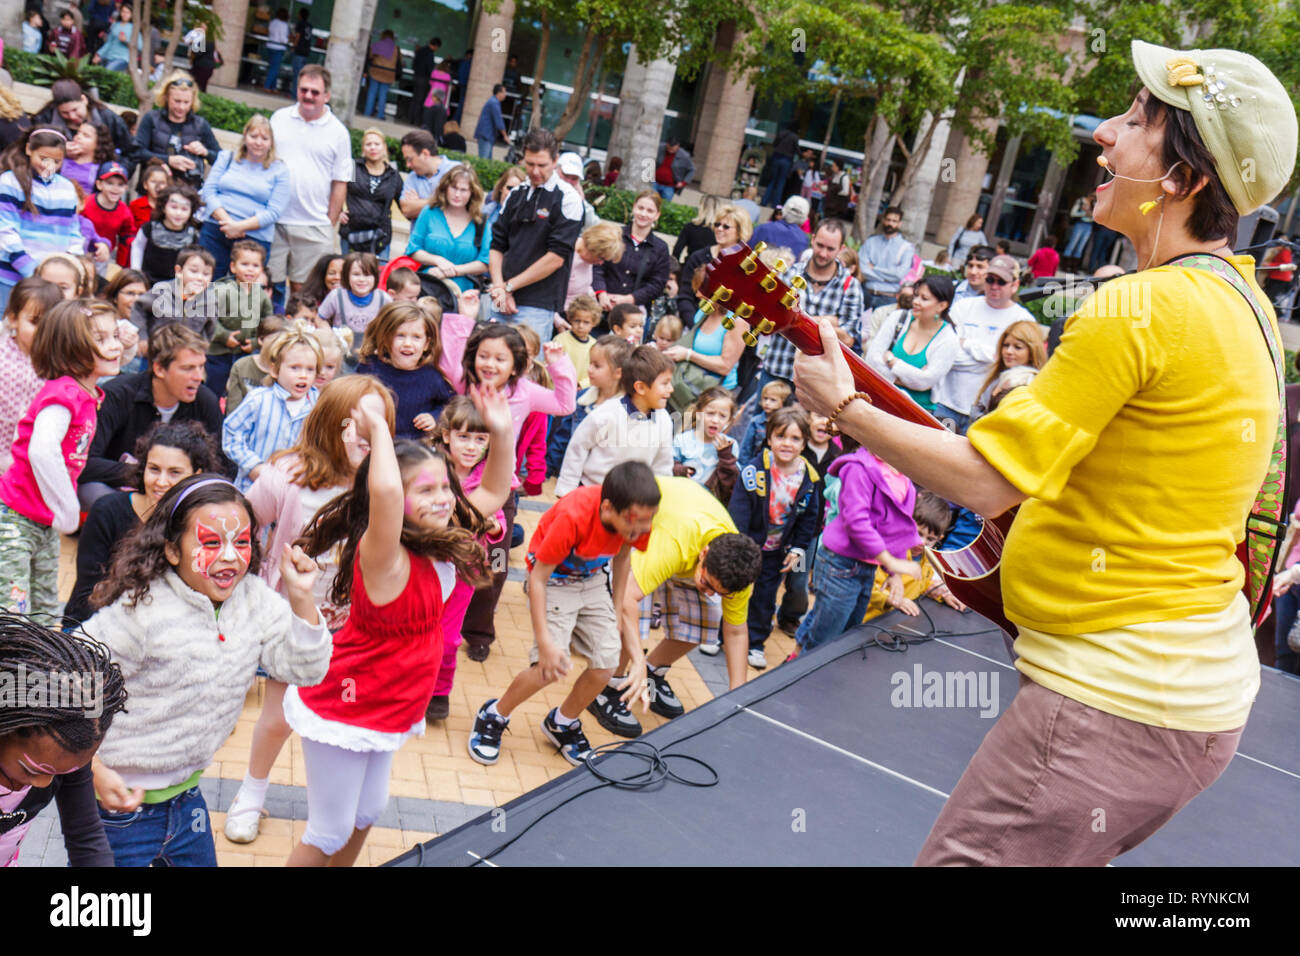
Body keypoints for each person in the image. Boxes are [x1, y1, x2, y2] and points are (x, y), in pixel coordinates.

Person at [789, 39, 1295, 867]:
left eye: (1135, 121)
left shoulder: (1135, 308)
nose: (1104, 131)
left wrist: (843, 405)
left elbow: (985, 482)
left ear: (1182, 179)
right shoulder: (1242, 300)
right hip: (1195, 701)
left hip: (1113, 704)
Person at [284, 384, 511, 867]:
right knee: (328, 830)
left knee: (368, 811)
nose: (442, 499)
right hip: (346, 703)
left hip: (392, 702)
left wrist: (503, 429)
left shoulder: (440, 542)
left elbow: (492, 490)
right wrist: (376, 428)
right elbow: (385, 489)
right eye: (424, 490)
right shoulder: (382, 553)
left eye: (445, 488)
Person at [86, 475, 331, 866]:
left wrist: (301, 598)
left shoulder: (254, 601)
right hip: (118, 813)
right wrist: (92, 769)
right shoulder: (140, 613)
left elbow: (304, 669)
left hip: (189, 805)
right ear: (171, 550)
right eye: (211, 542)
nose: (231, 557)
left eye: (243, 542)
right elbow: (63, 689)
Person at [221, 377, 397, 844]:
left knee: (342, 722)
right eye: (354, 420)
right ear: (328, 423)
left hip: (359, 627)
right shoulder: (287, 477)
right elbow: (244, 525)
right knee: (278, 716)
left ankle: (334, 813)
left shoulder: (389, 485)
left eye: (376, 421)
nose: (363, 432)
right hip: (295, 617)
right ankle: (251, 794)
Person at [469, 462, 660, 765]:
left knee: (607, 663)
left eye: (647, 523)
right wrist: (545, 643)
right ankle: (494, 714)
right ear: (608, 507)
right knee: (549, 667)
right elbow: (538, 579)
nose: (641, 531)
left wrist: (616, 614)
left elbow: (623, 559)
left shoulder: (639, 518)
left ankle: (562, 722)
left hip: (594, 579)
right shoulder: (574, 516)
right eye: (634, 524)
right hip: (554, 579)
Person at [458, 324, 576, 659]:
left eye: (500, 358)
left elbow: (565, 405)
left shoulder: (525, 390)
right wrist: (464, 318)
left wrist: (559, 364)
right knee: (450, 555)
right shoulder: (462, 382)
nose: (490, 364)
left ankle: (479, 631)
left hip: (501, 492)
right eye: (484, 356)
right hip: (456, 486)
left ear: (516, 365)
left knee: (495, 563)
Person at [0, 299, 121, 620]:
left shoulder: (84, 391)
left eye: (114, 336)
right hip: (15, 519)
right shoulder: (64, 394)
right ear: (72, 347)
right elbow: (42, 451)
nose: (114, 346)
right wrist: (67, 509)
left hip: (42, 521)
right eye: (101, 338)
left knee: (43, 610)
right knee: (13, 612)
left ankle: (33, 667)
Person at [610, 477, 762, 732]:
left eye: (719, 592)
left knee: (705, 619)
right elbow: (626, 601)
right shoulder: (675, 541)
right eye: (707, 582)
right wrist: (635, 659)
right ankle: (610, 685)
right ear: (704, 554)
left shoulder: (739, 573)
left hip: (686, 539)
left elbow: (735, 631)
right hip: (644, 528)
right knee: (635, 618)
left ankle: (652, 671)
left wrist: (737, 698)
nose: (710, 592)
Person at [0, 615, 128, 867]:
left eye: (64, 771)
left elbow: (86, 836)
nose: (45, 782)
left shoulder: (59, 754)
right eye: (30, 770)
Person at [64, 422, 221, 626]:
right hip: (95, 627)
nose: (162, 481)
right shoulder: (107, 511)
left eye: (175, 472)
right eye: (154, 469)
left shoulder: (200, 525)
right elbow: (87, 594)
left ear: (196, 475)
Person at [80, 323, 225, 511]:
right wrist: (144, 475)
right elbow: (85, 462)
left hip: (178, 494)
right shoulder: (117, 395)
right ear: (159, 369)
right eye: (188, 368)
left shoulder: (205, 401)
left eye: (201, 367)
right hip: (120, 489)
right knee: (91, 492)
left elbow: (222, 465)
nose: (199, 377)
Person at [729, 406, 823, 670]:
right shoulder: (754, 470)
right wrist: (739, 544)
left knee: (765, 597)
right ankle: (722, 634)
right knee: (734, 589)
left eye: (795, 439)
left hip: (776, 551)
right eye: (781, 437)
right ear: (769, 438)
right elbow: (739, 508)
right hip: (747, 545)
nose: (787, 444)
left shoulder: (809, 477)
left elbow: (810, 518)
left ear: (804, 443)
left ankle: (756, 642)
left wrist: (800, 549)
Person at [487, 128, 583, 344]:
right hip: (501, 298)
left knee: (527, 370)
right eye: (530, 164)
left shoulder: (568, 199)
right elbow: (496, 245)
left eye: (542, 165)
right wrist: (499, 288)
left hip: (537, 304)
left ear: (555, 161)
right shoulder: (516, 193)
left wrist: (509, 287)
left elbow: (556, 258)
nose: (535, 171)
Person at [269, 65, 352, 295]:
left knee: (305, 292)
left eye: (315, 92)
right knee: (264, 286)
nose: (308, 96)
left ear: (327, 96)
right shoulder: (278, 118)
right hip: (274, 219)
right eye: (303, 89)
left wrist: (328, 222)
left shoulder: (339, 132)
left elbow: (340, 181)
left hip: (314, 225)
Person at [930, 254, 1034, 435]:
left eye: (1001, 282)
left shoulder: (1023, 319)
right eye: (990, 279)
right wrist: (989, 357)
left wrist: (966, 344)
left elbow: (1014, 367)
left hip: (986, 412)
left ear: (1015, 285)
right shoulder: (963, 307)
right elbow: (945, 353)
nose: (994, 286)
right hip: (946, 403)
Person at [556, 344, 674, 496]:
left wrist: (660, 497)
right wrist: (566, 490)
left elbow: (662, 464)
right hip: (592, 491)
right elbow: (578, 448)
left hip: (631, 500)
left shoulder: (664, 420)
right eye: (665, 383)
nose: (671, 389)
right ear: (641, 388)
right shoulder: (606, 414)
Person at [761, 218, 864, 388]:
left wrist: (797, 318)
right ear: (813, 239)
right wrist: (828, 322)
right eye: (820, 245)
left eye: (830, 249)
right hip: (777, 368)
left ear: (841, 249)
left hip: (815, 382)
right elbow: (771, 318)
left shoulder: (850, 286)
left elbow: (848, 339)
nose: (823, 253)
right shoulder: (790, 273)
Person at [0, 129, 93, 311]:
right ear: (28, 149)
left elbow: (73, 232)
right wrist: (32, 272)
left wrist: (71, 266)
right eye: (43, 158)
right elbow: (5, 231)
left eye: (56, 161)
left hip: (51, 283)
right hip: (11, 277)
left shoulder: (66, 188)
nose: (49, 166)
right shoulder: (9, 182)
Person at [222, 321, 322, 491]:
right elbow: (232, 434)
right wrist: (253, 466)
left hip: (296, 491)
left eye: (310, 369)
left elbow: (334, 435)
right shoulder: (259, 400)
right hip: (254, 487)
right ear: (275, 370)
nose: (303, 376)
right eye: (295, 368)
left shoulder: (319, 405)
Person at [198, 114, 290, 279]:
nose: (258, 142)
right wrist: (228, 223)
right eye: (253, 136)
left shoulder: (280, 170)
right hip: (216, 229)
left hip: (254, 239)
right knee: (205, 283)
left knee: (240, 293)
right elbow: (208, 192)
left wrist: (240, 227)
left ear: (271, 143)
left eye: (264, 138)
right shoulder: (226, 158)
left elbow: (274, 211)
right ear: (245, 136)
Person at [355, 301, 456, 439]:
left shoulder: (431, 377)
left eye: (416, 337)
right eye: (400, 335)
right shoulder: (369, 368)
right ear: (385, 338)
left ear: (426, 343)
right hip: (373, 441)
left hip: (412, 449)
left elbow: (450, 403)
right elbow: (350, 399)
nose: (407, 344)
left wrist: (434, 416)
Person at [865, 275, 959, 414]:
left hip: (916, 413)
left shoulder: (948, 339)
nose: (916, 301)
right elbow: (872, 359)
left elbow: (925, 381)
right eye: (916, 296)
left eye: (924, 299)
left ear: (942, 305)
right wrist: (909, 378)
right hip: (879, 402)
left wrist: (892, 362)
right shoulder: (898, 318)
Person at [0, 278, 63, 473]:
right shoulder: (2, 353)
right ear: (13, 318)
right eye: (35, 322)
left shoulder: (58, 364)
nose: (42, 332)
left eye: (48, 324)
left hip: (27, 463)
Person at [406, 164, 490, 294]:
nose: (457, 194)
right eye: (454, 188)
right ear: (445, 188)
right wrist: (438, 261)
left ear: (472, 192)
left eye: (463, 190)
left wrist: (454, 270)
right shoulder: (429, 212)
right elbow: (413, 249)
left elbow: (485, 262)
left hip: (464, 293)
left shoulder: (480, 221)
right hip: (428, 285)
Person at [133, 72, 221, 190]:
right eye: (177, 101)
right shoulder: (151, 119)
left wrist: (205, 152)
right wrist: (169, 160)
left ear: (193, 101)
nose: (181, 107)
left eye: (186, 102)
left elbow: (220, 159)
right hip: (153, 190)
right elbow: (137, 152)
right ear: (166, 97)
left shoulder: (200, 125)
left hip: (186, 193)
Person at [594, 189, 671, 315]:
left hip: (632, 314)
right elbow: (597, 267)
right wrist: (601, 294)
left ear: (657, 215)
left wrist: (629, 299)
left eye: (650, 211)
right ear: (634, 208)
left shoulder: (660, 248)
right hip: (601, 307)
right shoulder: (614, 234)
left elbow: (657, 284)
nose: (643, 213)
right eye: (640, 208)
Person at [677, 204, 754, 318]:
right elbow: (685, 295)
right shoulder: (698, 257)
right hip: (693, 321)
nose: (719, 229)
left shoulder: (746, 265)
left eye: (726, 226)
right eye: (717, 224)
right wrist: (694, 324)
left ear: (739, 231)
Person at [341, 129, 402, 261]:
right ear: (363, 148)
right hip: (352, 232)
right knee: (348, 275)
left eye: (377, 144)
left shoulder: (393, 175)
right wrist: (339, 212)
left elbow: (403, 204)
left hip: (380, 237)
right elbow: (337, 189)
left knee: (377, 277)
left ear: (384, 147)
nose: (373, 147)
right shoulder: (353, 167)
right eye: (368, 144)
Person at [674, 385, 740, 505]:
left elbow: (731, 484)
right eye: (710, 413)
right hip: (681, 500)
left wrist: (726, 456)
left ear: (729, 421)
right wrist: (680, 470)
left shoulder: (731, 445)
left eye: (722, 416)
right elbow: (668, 466)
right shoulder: (683, 439)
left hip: (710, 505)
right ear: (699, 413)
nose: (715, 420)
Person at [859, 206, 917, 310]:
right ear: (883, 220)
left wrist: (874, 269)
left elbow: (899, 275)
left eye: (894, 221)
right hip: (866, 294)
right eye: (888, 220)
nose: (890, 224)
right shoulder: (871, 242)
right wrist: (888, 278)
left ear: (900, 224)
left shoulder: (907, 248)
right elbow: (862, 269)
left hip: (888, 298)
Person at [81, 160, 136, 268]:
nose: (115, 188)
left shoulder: (125, 211)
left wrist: (121, 265)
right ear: (99, 184)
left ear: (125, 188)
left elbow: (127, 238)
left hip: (103, 256)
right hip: (81, 251)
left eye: (120, 184)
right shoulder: (86, 203)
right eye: (110, 183)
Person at [397, 130, 460, 223]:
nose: (408, 165)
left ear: (425, 154)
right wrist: (440, 200)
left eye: (410, 159)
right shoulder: (412, 177)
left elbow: (456, 208)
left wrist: (419, 202)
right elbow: (406, 209)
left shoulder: (456, 171)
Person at [566, 222, 625, 308]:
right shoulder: (568, 256)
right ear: (592, 249)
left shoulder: (587, 260)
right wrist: (560, 321)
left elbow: (583, 287)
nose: (601, 263)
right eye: (601, 258)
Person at [751, 195, 811, 261]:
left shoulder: (763, 228)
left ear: (784, 210)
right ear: (804, 218)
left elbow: (746, 253)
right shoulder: (804, 241)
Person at [363, 30, 402, 119]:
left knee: (372, 93)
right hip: (389, 74)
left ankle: (367, 113)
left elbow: (370, 56)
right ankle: (380, 115)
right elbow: (399, 62)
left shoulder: (377, 44)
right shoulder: (396, 48)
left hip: (376, 71)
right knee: (383, 95)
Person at [93, 4, 141, 73]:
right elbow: (108, 43)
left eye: (127, 12)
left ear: (132, 14)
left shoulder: (134, 28)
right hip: (109, 56)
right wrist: (99, 54)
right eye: (123, 12)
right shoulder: (115, 25)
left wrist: (126, 41)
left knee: (107, 72)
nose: (125, 14)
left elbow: (140, 47)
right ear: (120, 13)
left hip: (123, 58)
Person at [408, 36, 443, 124]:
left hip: (416, 76)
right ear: (436, 46)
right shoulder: (430, 53)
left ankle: (410, 118)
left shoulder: (420, 50)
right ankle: (416, 121)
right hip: (423, 79)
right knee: (420, 100)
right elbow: (429, 68)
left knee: (414, 99)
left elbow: (414, 63)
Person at [762, 125, 799, 208]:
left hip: (776, 158)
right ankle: (775, 204)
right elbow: (796, 149)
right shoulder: (794, 137)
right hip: (786, 160)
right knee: (781, 183)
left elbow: (774, 144)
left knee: (772, 181)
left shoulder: (781, 133)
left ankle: (764, 201)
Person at [483, 165, 525, 231]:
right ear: (501, 187)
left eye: (517, 189)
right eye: (510, 188)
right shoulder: (487, 212)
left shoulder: (524, 217)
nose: (512, 192)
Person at [473, 84, 508, 159]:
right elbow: (499, 121)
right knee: (484, 161)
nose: (505, 94)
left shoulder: (493, 101)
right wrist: (505, 136)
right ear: (498, 93)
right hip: (486, 136)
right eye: (504, 92)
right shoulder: (494, 103)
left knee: (488, 161)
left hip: (487, 135)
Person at [1062, 194, 1094, 271]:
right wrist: (1084, 213)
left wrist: (1091, 214)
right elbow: (1073, 213)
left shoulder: (1095, 203)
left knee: (1080, 247)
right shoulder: (1080, 201)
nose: (1093, 198)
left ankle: (1074, 267)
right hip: (1080, 224)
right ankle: (1065, 266)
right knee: (1072, 244)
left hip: (1089, 225)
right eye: (1093, 196)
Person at [263, 8, 291, 93]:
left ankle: (273, 87)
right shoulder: (284, 25)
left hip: (270, 45)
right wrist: (288, 41)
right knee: (274, 68)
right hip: (278, 47)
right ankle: (267, 86)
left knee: (273, 67)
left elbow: (269, 32)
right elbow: (283, 39)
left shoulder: (273, 22)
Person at [289, 7, 315, 96]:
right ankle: (297, 94)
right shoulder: (310, 26)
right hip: (305, 52)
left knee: (297, 75)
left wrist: (294, 45)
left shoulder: (300, 24)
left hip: (299, 51)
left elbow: (298, 36)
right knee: (301, 75)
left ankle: (295, 95)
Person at [820, 157, 854, 221]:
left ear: (838, 167)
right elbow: (830, 187)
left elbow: (845, 192)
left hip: (838, 208)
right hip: (830, 206)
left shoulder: (844, 177)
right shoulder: (834, 175)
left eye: (833, 166)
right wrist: (822, 188)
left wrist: (833, 192)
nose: (832, 167)